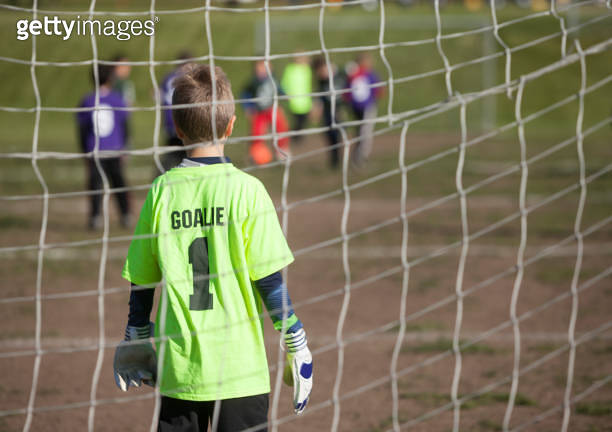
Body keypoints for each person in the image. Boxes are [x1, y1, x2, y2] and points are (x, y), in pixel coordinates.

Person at [113, 64, 313, 432]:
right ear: (232, 124)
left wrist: (137, 332)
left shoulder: (161, 191)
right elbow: (269, 280)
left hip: (181, 373)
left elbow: (142, 280)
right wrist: (295, 339)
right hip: (241, 373)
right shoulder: (248, 191)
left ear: (177, 129)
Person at [77, 63, 131, 230]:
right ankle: (126, 215)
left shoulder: (87, 100)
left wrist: (84, 151)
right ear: (111, 79)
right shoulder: (117, 99)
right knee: (119, 183)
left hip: (95, 150)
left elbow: (82, 129)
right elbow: (125, 125)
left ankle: (95, 218)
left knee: (95, 185)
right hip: (114, 149)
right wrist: (125, 147)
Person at [241, 60, 290, 165]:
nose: (262, 70)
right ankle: (256, 155)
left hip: (271, 109)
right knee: (256, 133)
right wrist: (248, 107)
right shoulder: (253, 82)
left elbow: (279, 89)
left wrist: (286, 96)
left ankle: (281, 152)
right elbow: (244, 94)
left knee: (280, 128)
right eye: (259, 68)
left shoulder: (273, 80)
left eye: (265, 67)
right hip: (258, 112)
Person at [345, 52, 382, 166]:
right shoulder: (366, 74)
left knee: (362, 131)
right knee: (365, 132)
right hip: (366, 107)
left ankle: (358, 156)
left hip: (360, 108)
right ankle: (361, 157)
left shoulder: (354, 75)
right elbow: (378, 90)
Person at [159, 51, 193, 172]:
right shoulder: (188, 79)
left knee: (173, 150)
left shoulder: (167, 78)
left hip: (169, 120)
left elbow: (159, 95)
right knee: (186, 153)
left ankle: (162, 173)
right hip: (183, 120)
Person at [313, 57, 345, 169]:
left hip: (338, 112)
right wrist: (317, 110)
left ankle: (339, 159)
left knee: (338, 136)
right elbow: (320, 98)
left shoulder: (340, 75)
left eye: (322, 71)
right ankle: (334, 160)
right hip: (327, 114)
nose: (321, 74)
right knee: (329, 136)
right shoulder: (322, 82)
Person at [280, 54, 312, 145]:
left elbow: (308, 85)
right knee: (297, 122)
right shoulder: (290, 69)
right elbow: (284, 83)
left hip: (305, 102)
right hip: (294, 102)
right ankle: (293, 139)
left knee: (302, 123)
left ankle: (296, 139)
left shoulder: (307, 69)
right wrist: (286, 94)